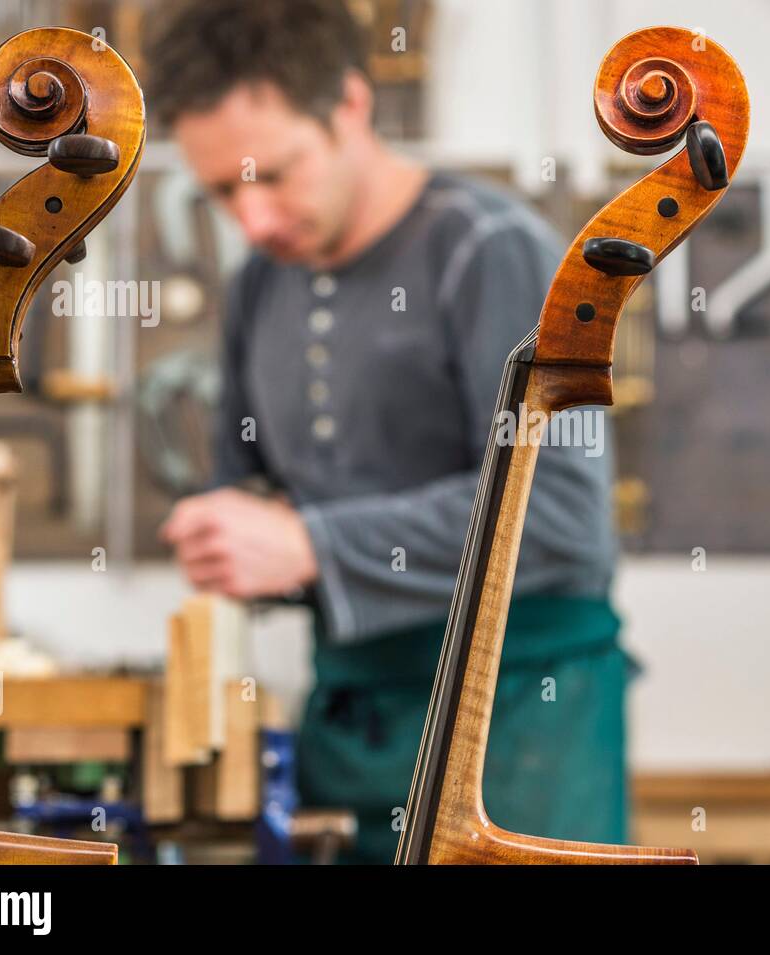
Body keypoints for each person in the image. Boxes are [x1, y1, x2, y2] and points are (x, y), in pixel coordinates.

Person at [144, 0, 628, 863]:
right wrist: (234, 536)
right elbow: (252, 490)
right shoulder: (261, 282)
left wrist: (310, 542)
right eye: (222, 190)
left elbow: (562, 514)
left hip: (517, 724)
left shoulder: (489, 251)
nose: (250, 219)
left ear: (353, 108)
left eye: (275, 174)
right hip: (352, 726)